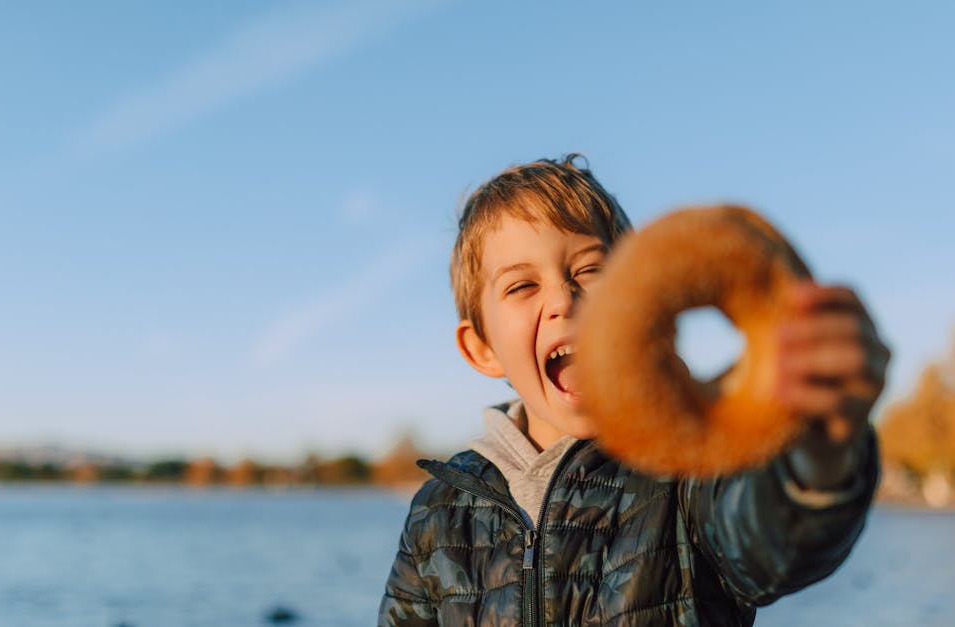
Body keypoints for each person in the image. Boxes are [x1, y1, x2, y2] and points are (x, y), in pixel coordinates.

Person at [378, 155, 888, 626]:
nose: (563, 298)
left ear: (640, 295)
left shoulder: (692, 473)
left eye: (591, 270)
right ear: (482, 348)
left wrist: (824, 449)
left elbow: (777, 542)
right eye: (522, 286)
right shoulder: (438, 511)